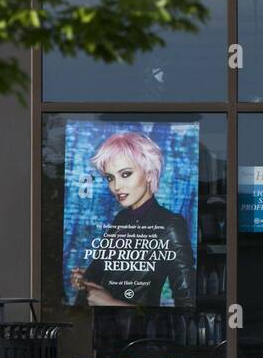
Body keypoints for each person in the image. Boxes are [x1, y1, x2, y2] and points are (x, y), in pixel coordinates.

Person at [70, 130, 196, 307]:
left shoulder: (170, 224)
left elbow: (188, 304)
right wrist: (87, 280)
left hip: (139, 331)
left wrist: (111, 303)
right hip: (101, 326)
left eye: (126, 174)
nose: (116, 186)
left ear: (149, 174)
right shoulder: (122, 218)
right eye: (110, 178)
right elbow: (105, 270)